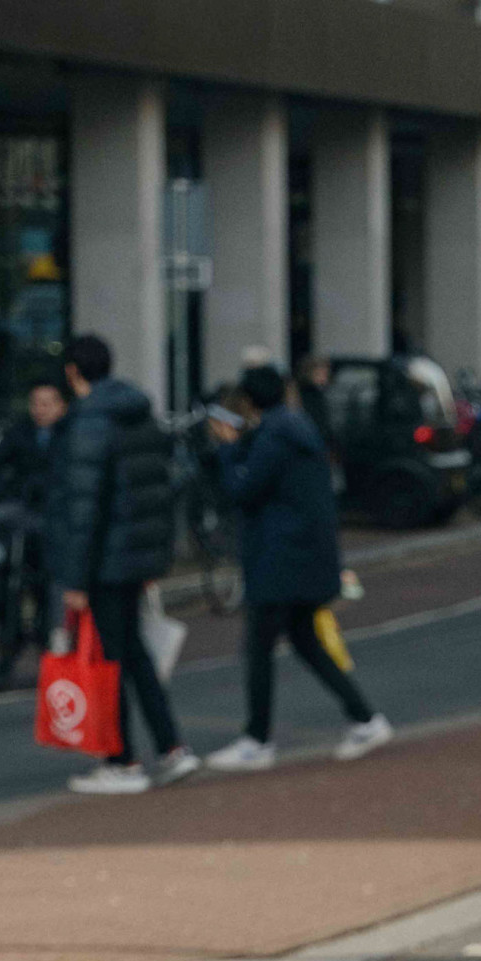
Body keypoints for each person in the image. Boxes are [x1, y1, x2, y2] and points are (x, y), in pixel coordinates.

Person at [205, 365, 391, 769]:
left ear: (250, 402)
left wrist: (227, 447)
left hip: (279, 561)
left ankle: (257, 741)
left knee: (259, 648)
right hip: (303, 557)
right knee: (305, 642)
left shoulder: (273, 437)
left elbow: (243, 489)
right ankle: (365, 718)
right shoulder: (296, 429)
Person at [45, 334, 199, 794]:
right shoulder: (138, 413)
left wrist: (75, 578)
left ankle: (122, 760)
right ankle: (171, 748)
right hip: (133, 556)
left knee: (109, 663)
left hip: (104, 562)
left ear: (73, 372)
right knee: (133, 654)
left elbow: (84, 506)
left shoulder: (89, 421)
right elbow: (157, 489)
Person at [0, 374, 67, 688]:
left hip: (56, 527)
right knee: (7, 583)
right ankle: (10, 644)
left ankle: (51, 652)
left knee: (51, 592)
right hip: (23, 522)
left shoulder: (71, 434)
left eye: (47, 403)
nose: (40, 409)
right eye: (36, 403)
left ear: (61, 406)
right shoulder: (20, 432)